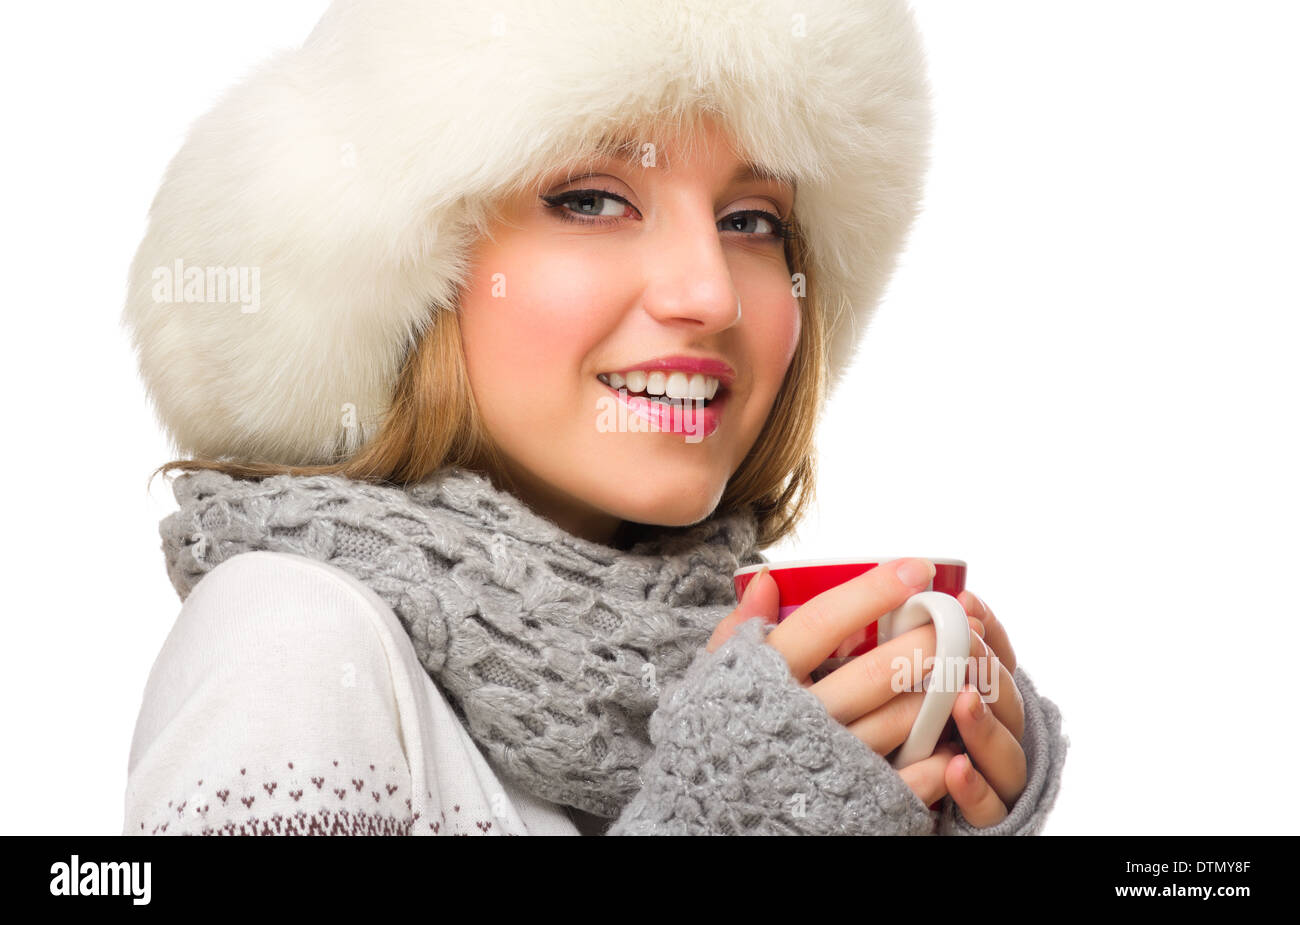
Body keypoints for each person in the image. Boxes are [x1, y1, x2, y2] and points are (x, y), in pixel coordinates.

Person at [120, 0, 1067, 835]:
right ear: (395, 276)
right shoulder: (290, 638)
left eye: (752, 219)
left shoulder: (746, 672)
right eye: (592, 200)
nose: (709, 293)